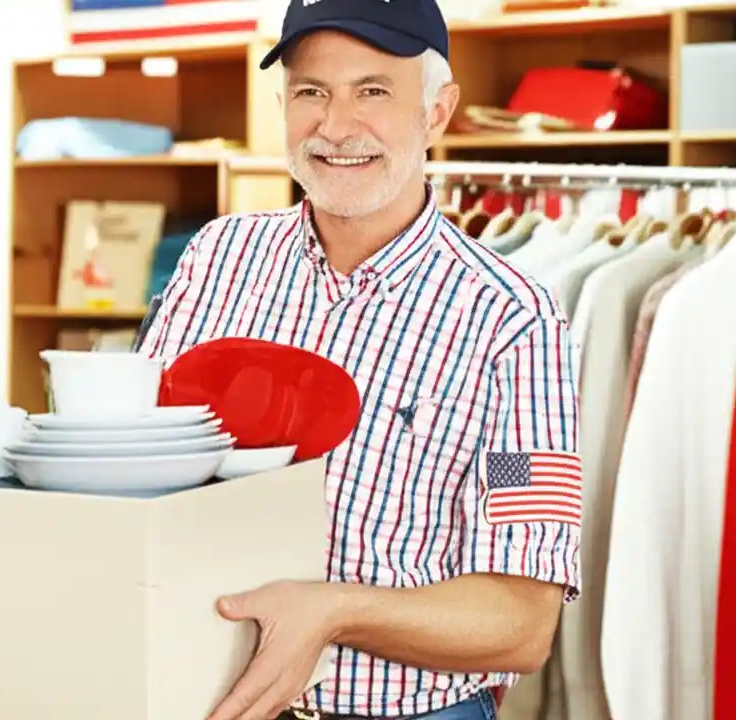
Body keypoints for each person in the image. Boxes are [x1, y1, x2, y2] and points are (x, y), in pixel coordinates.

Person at [135, 1, 583, 718]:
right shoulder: (215, 259)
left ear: (437, 111)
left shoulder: (514, 322)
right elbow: (140, 471)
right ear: (284, 104)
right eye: (312, 92)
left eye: (372, 91)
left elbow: (523, 622)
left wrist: (333, 611)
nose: (336, 126)